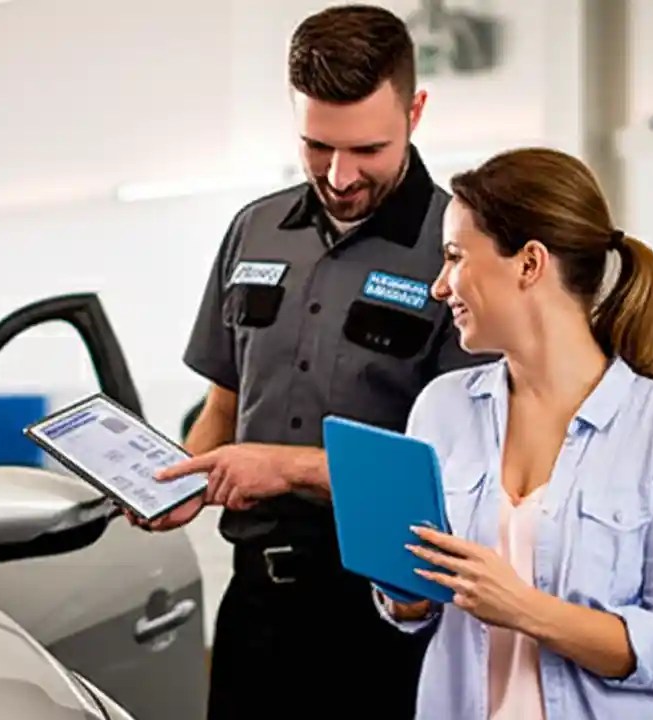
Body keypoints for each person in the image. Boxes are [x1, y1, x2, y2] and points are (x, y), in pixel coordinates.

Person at [169, 146, 653, 718]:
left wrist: (523, 608)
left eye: (455, 257)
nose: (439, 287)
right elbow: (419, 610)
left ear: (529, 264)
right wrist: (406, 596)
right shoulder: (443, 407)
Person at [138, 5, 491, 718]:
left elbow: (461, 469)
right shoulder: (255, 229)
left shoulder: (458, 249)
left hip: (391, 615)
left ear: (416, 111)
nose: (339, 175)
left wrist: (286, 467)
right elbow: (224, 406)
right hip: (256, 605)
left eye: (367, 149)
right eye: (317, 146)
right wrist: (174, 482)